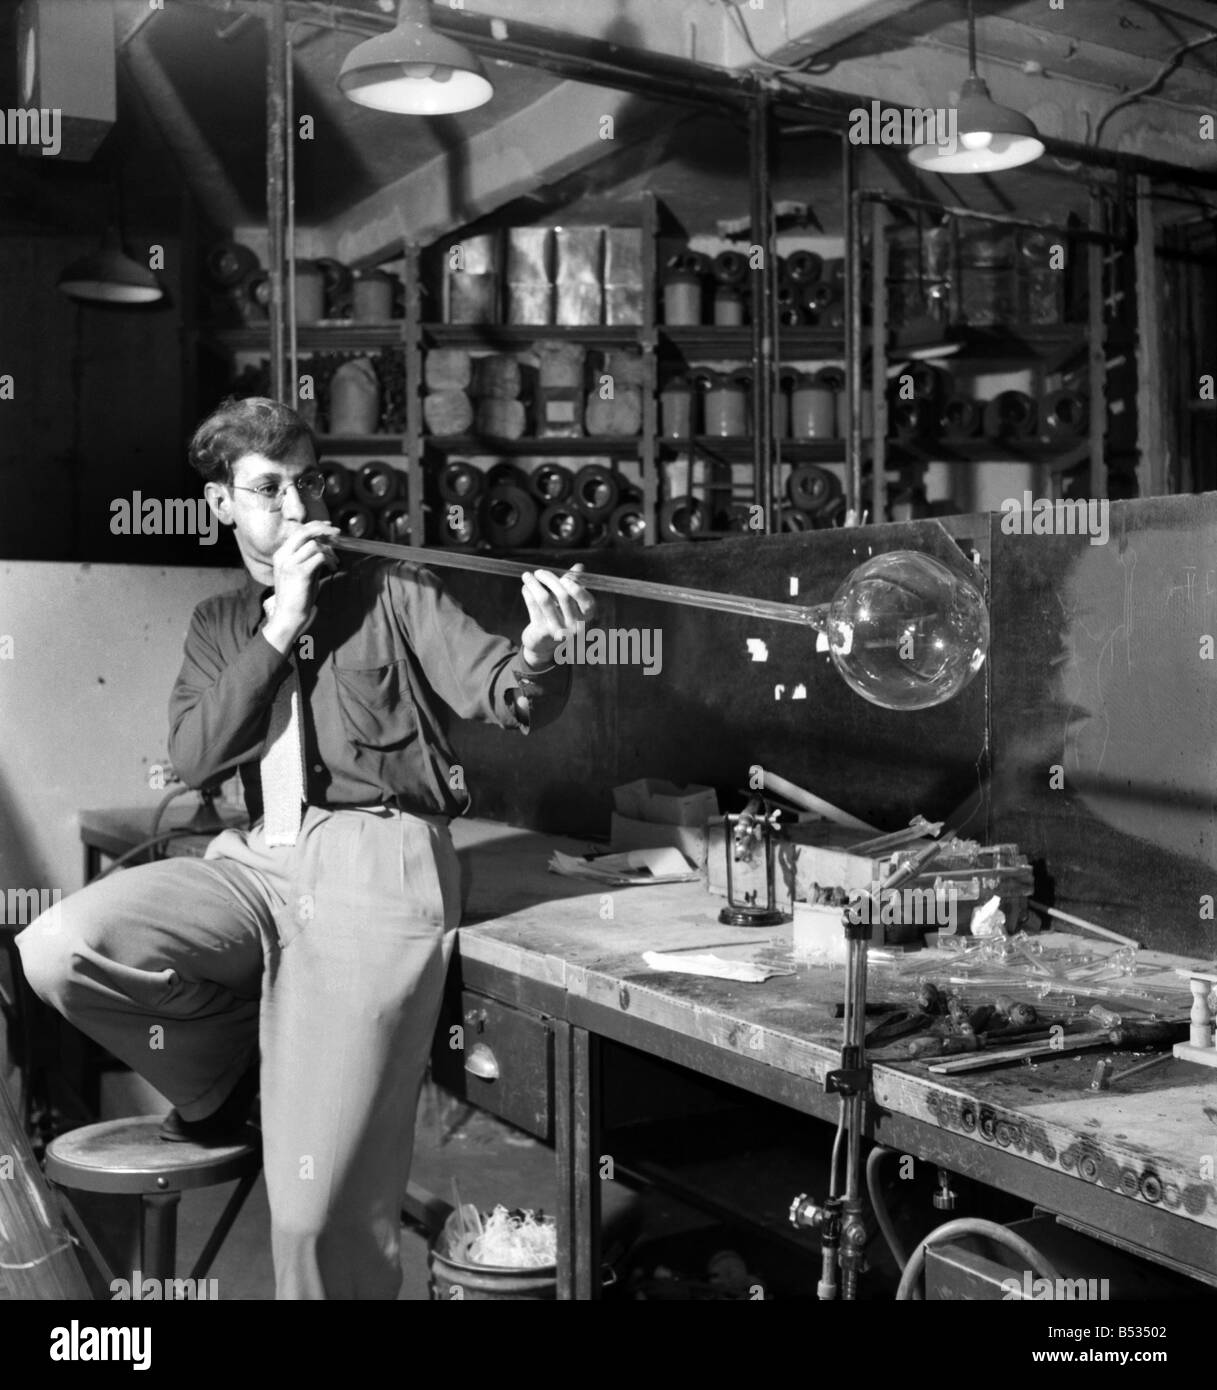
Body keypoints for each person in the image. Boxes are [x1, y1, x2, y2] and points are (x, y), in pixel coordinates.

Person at [17, 396, 596, 1299]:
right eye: (267, 488)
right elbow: (194, 757)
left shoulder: (394, 586)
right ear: (221, 505)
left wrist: (542, 654)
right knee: (56, 948)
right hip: (255, 859)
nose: (295, 505)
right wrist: (280, 623)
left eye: (307, 481)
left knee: (312, 1214)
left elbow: (502, 689)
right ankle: (232, 1089)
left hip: (376, 858)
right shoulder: (219, 623)